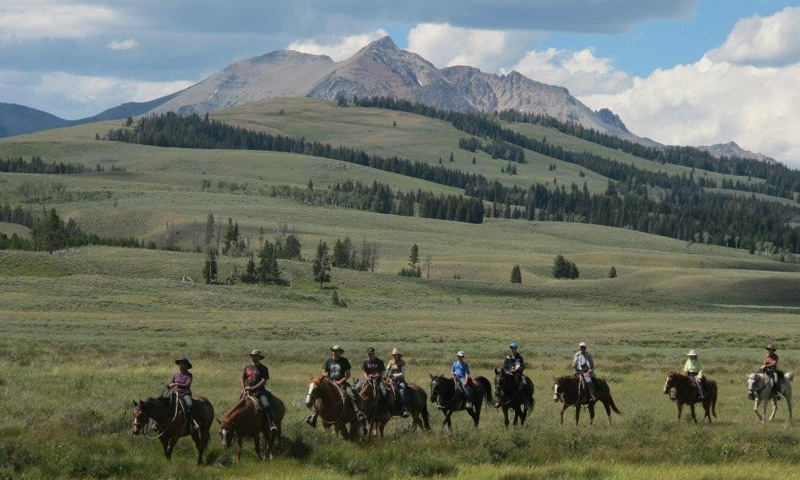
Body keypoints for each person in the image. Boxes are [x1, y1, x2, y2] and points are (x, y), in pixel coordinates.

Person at [307, 345, 365, 426]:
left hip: (342, 383)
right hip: (329, 383)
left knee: (351, 393)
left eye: (337, 351)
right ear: (332, 352)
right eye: (334, 351)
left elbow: (348, 375)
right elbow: (323, 372)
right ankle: (314, 415)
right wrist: (325, 374)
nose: (336, 352)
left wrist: (340, 382)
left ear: (340, 352)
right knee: (319, 395)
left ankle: (358, 412)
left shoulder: (344, 361)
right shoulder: (328, 361)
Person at [241, 349, 278, 432]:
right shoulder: (247, 367)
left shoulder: (263, 368)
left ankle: (271, 423)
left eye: (256, 356)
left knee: (265, 404)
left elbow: (263, 381)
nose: (254, 357)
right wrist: (243, 388)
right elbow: (242, 378)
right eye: (253, 356)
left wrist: (252, 388)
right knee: (239, 404)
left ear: (259, 358)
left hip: (260, 391)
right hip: (247, 391)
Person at [168, 357, 199, 430]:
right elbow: (170, 383)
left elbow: (187, 385)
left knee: (189, 404)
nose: (180, 366)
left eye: (182, 364)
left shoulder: (189, 375)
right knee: (164, 403)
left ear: (186, 366)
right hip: (175, 393)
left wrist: (176, 384)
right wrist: (169, 385)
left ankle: (192, 421)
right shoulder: (175, 374)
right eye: (179, 364)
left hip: (185, 393)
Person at [496, 342, 529, 407]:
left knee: (525, 382)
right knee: (499, 384)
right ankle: (498, 400)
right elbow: (504, 367)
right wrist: (507, 372)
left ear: (516, 349)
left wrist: (515, 370)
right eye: (511, 348)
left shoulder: (519, 357)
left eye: (513, 348)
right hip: (508, 374)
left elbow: (522, 366)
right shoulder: (508, 357)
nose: (511, 349)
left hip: (517, 374)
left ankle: (526, 400)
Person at [384, 347, 410, 417]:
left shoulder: (402, 362)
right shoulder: (390, 362)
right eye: (393, 355)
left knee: (402, 391)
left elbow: (402, 373)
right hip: (391, 380)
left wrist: (395, 375)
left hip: (400, 380)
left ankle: (404, 408)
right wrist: (385, 376)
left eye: (395, 354)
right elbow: (387, 370)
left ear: (398, 355)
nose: (394, 356)